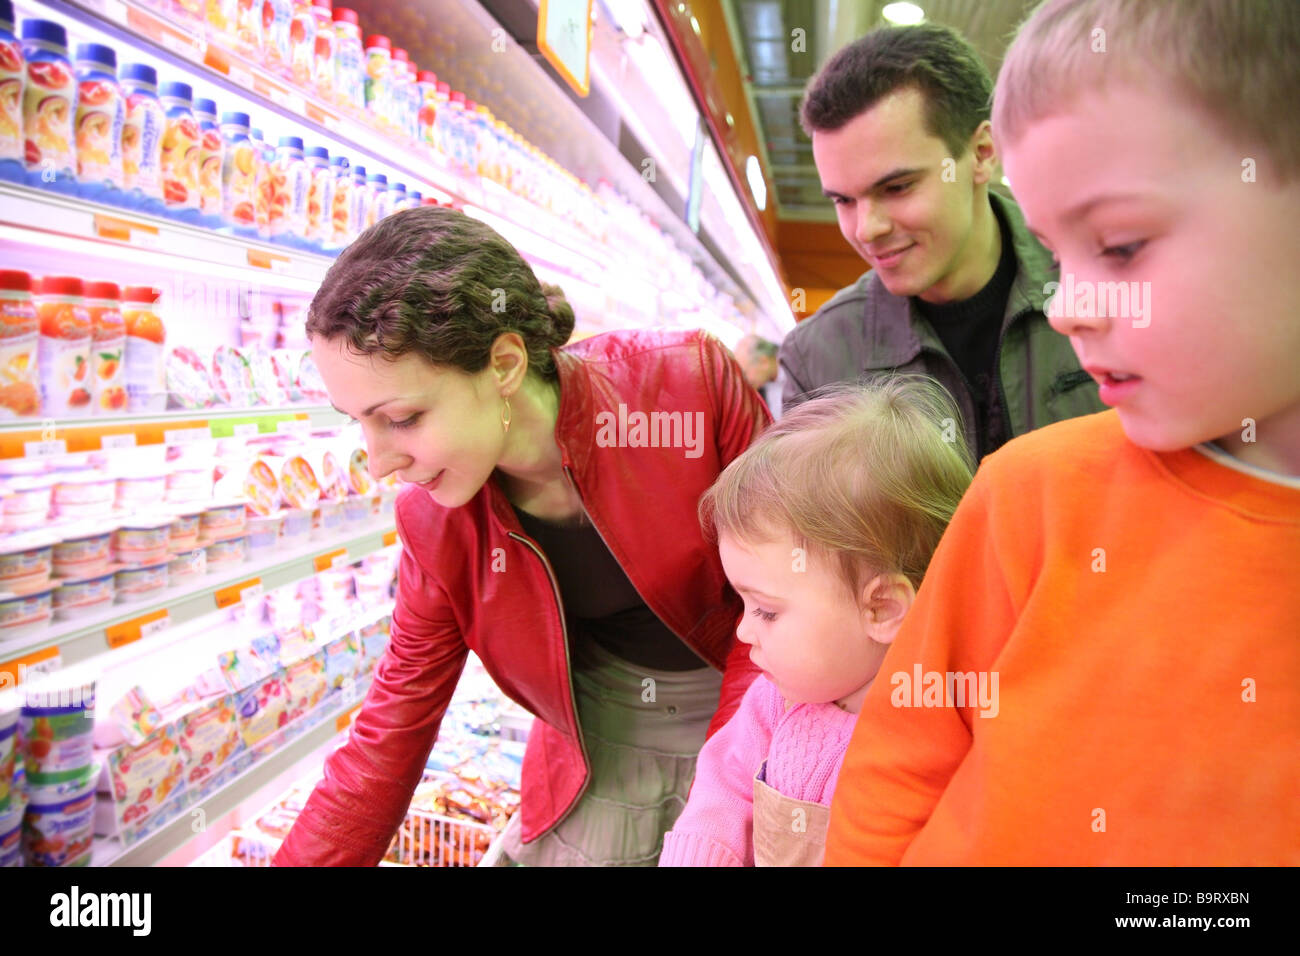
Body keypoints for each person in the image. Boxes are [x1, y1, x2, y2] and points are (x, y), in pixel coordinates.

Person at [827, 0, 1300, 865]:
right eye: (1059, 250)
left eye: (1119, 246)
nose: (1072, 305)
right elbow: (897, 767)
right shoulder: (1031, 493)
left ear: (974, 160)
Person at [272, 206, 769, 867]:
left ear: (504, 362)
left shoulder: (688, 387)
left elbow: (787, 599)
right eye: (358, 422)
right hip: (598, 745)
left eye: (402, 417)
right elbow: (390, 729)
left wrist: (726, 792)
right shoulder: (435, 519)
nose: (379, 460)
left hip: (758, 698)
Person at [658, 377, 973, 866]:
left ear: (883, 609)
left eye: (766, 609)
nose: (742, 631)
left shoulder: (952, 729)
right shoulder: (774, 703)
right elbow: (723, 790)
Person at [781, 22, 1104, 461]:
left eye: (897, 188)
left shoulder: (1106, 287)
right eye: (843, 200)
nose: (865, 229)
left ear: (983, 153)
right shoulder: (816, 362)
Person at [733, 333, 783, 417]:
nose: (744, 382)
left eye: (745, 374)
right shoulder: (760, 391)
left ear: (764, 362)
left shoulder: (795, 364)